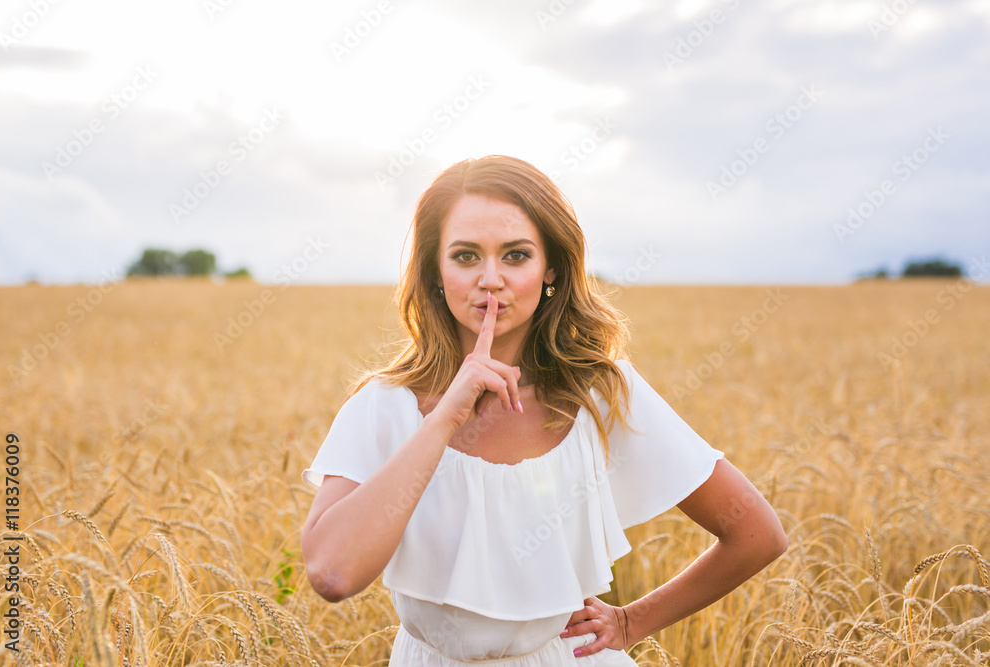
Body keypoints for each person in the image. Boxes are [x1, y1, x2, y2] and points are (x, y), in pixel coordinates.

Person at [300, 155, 788, 665]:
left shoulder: (598, 394)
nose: (491, 279)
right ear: (435, 271)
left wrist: (630, 620)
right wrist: (443, 418)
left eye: (515, 255)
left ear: (550, 267)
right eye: (466, 257)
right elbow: (333, 574)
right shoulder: (383, 406)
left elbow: (756, 533)